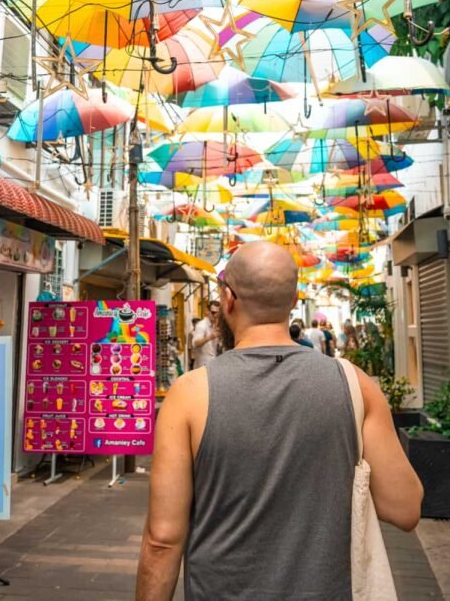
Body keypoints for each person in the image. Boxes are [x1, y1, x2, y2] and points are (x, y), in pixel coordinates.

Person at [137, 241, 423, 601]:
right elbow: (406, 509)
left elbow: (162, 540)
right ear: (293, 301)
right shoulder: (355, 384)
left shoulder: (188, 394)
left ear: (228, 299)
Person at [191, 300, 220, 368]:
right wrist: (210, 337)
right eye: (213, 313)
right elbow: (196, 343)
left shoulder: (214, 325)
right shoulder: (202, 325)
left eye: (217, 313)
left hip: (211, 366)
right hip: (202, 366)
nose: (215, 315)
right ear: (207, 311)